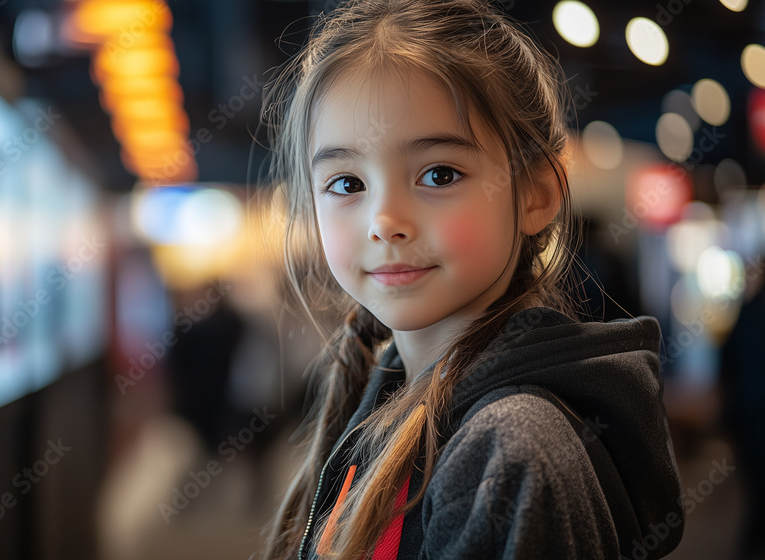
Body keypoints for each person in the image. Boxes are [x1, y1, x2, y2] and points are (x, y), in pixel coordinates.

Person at [255, 1, 685, 559]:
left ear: (536, 194)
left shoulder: (508, 450)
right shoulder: (387, 405)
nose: (385, 222)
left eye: (439, 174)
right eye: (345, 183)